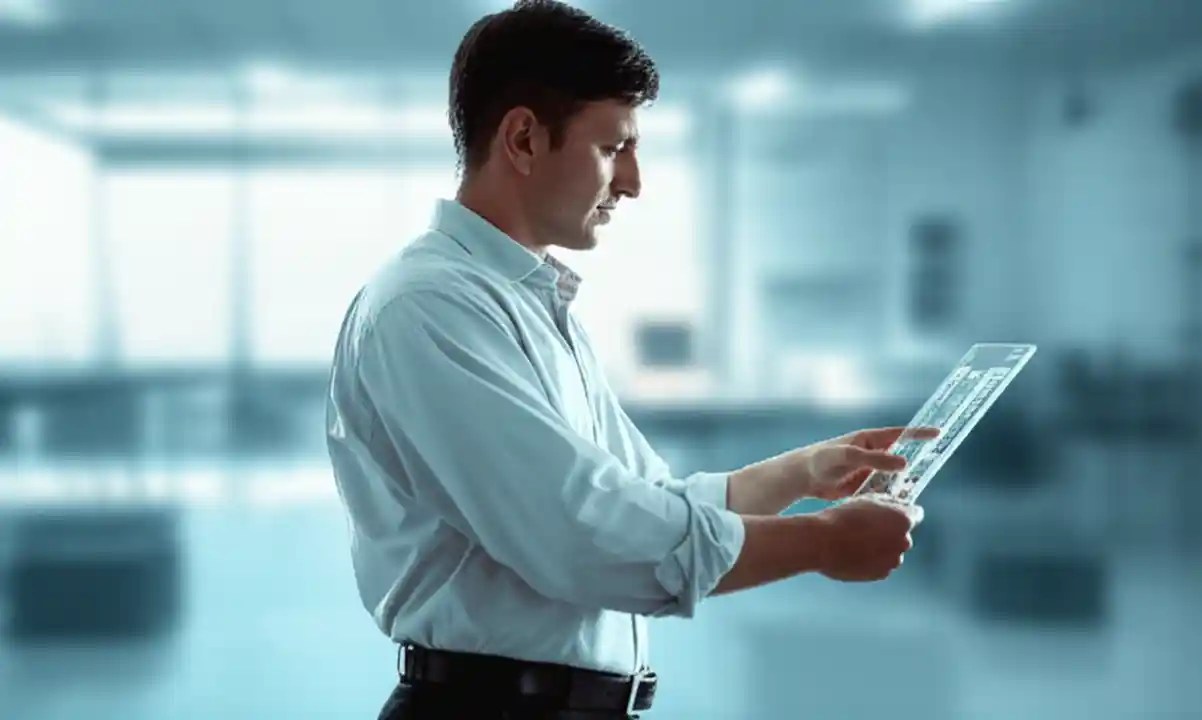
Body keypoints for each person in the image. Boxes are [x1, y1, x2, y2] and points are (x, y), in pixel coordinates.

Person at [326, 1, 938, 718]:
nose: (633, 181)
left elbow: (644, 501)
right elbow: (580, 535)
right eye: (614, 147)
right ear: (523, 139)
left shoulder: (528, 301)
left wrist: (801, 473)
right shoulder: (429, 307)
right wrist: (821, 544)